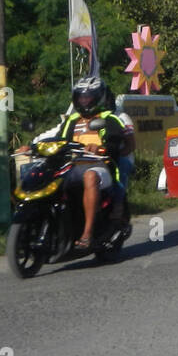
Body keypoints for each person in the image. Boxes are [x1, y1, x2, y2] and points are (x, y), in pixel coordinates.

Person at [54, 76, 130, 250]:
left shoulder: (110, 118)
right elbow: (58, 139)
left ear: (99, 97)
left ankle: (87, 233)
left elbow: (114, 141)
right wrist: (32, 146)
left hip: (100, 166)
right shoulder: (71, 121)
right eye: (81, 97)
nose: (84, 100)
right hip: (72, 166)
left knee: (90, 176)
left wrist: (100, 147)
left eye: (88, 97)